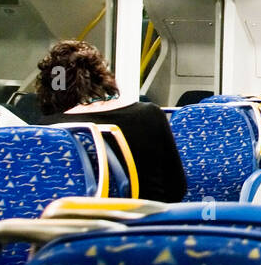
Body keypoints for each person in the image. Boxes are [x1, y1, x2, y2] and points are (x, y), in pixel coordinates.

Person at [33, 40, 187, 202]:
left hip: (77, 223)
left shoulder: (51, 129)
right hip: (149, 221)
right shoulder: (150, 114)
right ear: (101, 77)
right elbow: (177, 188)